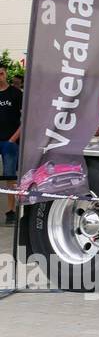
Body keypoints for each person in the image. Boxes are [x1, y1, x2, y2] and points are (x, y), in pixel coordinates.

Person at [0, 68, 21, 224]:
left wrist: (13, 139)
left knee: (10, 176)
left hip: (10, 142)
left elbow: (26, 116)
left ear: (6, 73)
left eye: (1, 73)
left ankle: (10, 211)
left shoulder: (15, 93)